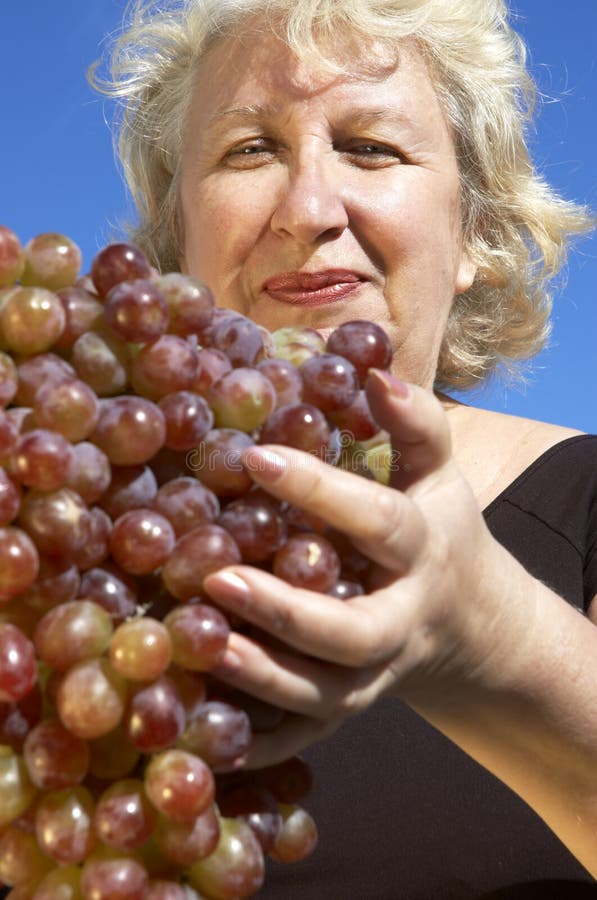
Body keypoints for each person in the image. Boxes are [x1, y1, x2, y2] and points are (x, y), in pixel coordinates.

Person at [90, 0, 597, 896]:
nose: (307, 207)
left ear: (473, 233)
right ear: (178, 240)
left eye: (370, 147)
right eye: (249, 149)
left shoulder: (585, 500)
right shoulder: (83, 544)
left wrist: (492, 639)